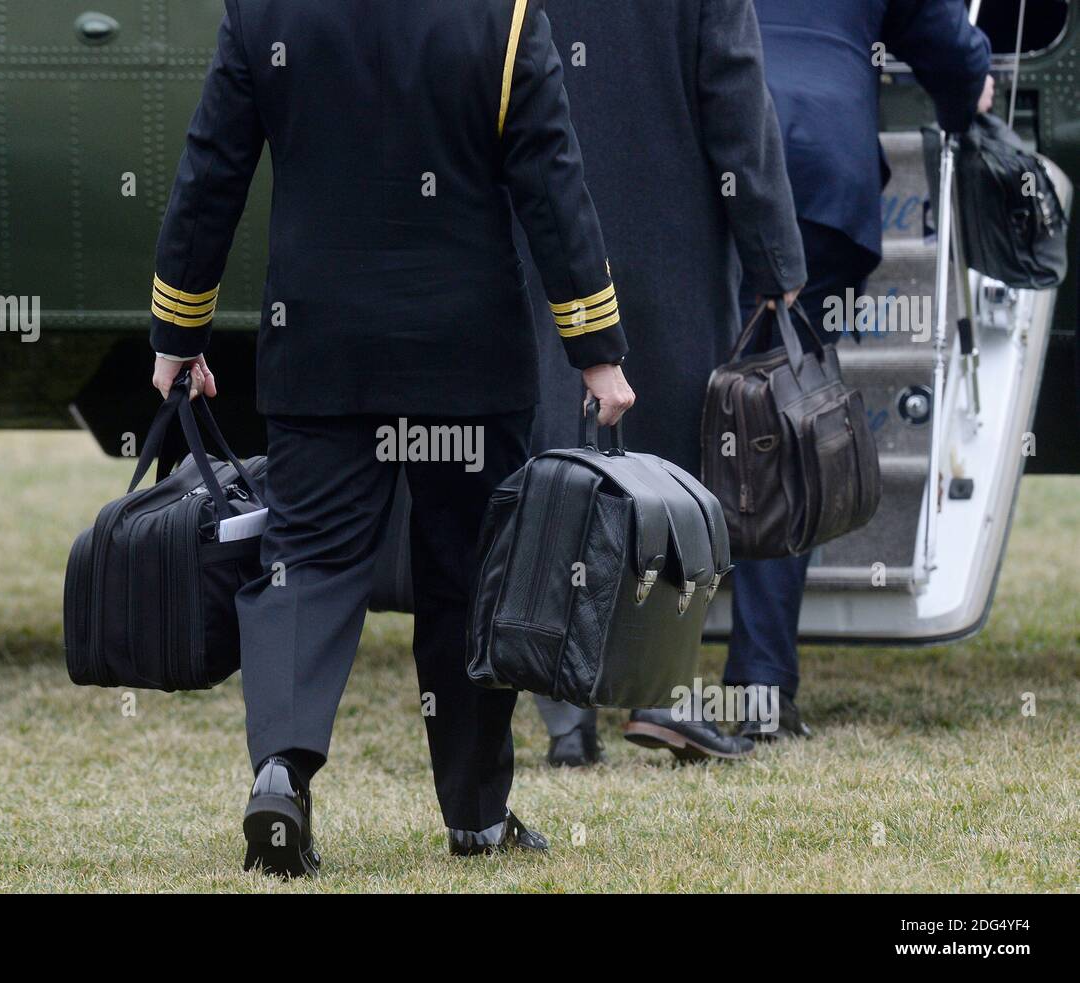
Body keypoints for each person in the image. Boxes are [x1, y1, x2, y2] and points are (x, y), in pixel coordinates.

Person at [148, 0, 635, 877]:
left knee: (307, 563)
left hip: (322, 351)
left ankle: (280, 774)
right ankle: (479, 817)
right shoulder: (506, 16)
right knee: (466, 583)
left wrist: (179, 331)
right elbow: (552, 182)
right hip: (466, 359)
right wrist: (596, 352)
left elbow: (213, 166)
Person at [525, 0, 807, 767]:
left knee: (558, 459)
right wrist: (775, 261)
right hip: (673, 231)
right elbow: (736, 98)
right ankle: (659, 693)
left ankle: (565, 721)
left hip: (543, 239)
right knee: (674, 468)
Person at [714, 0, 995, 742]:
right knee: (783, 409)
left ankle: (618, 679)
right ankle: (759, 686)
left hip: (712, 166)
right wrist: (971, 100)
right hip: (817, 176)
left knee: (703, 392)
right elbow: (951, 48)